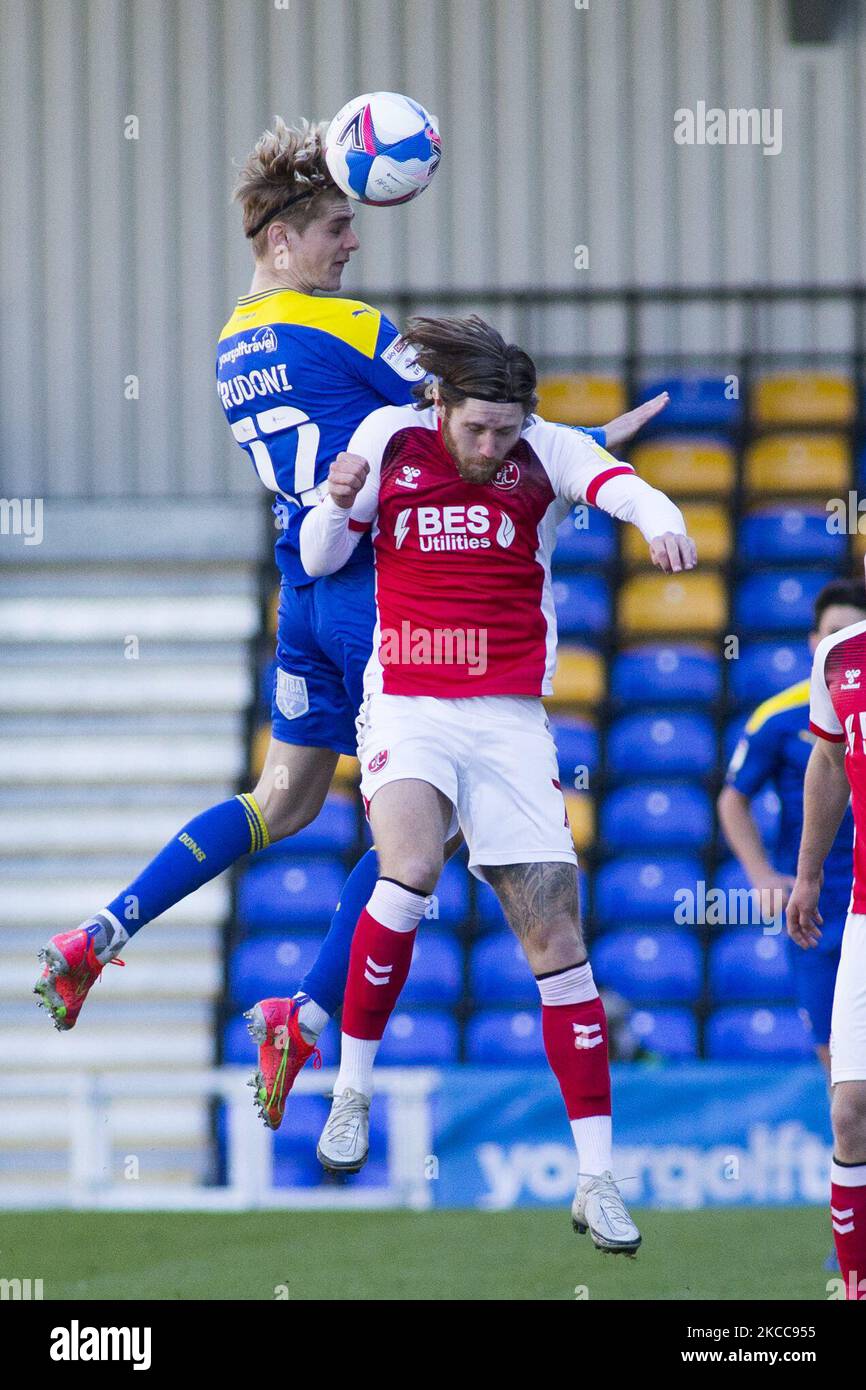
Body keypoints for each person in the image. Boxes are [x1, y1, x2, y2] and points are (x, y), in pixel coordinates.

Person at [33, 118, 667, 1132]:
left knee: (280, 800)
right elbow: (472, 413)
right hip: (383, 587)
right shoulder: (345, 326)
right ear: (279, 238)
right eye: (334, 225)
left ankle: (101, 933)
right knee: (426, 815)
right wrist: (587, 445)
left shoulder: (232, 343)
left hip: (303, 583)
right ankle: (305, 1011)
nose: (351, 241)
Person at [293, 313, 696, 1252]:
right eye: (476, 428)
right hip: (409, 699)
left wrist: (664, 520)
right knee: (411, 869)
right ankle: (351, 1092)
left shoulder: (541, 448)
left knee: (558, 939)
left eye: (505, 432)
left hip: (510, 719)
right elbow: (319, 562)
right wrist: (333, 501)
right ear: (440, 404)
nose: (489, 446)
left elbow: (620, 486)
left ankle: (597, 1177)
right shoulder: (387, 439)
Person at [718, 580, 866, 1072]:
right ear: (814, 642)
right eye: (832, 633)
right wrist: (762, 876)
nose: (842, 643)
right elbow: (732, 800)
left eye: (852, 632)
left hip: (861, 892)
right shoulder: (778, 716)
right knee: (835, 1057)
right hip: (819, 906)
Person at [787, 583, 866, 1298]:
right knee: (848, 1106)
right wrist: (807, 874)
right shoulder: (840, 657)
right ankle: (855, 1285)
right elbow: (828, 762)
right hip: (864, 914)